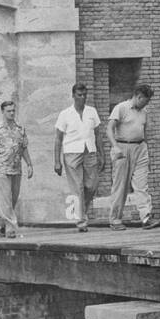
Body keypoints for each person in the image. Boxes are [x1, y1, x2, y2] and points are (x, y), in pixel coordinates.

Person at [107, 83, 160, 230]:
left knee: (142, 184)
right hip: (123, 147)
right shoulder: (121, 108)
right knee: (121, 185)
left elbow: (145, 132)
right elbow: (109, 129)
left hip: (140, 148)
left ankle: (146, 217)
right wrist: (115, 146)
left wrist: (147, 150)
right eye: (146, 100)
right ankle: (115, 219)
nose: (147, 103)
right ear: (139, 97)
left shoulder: (144, 112)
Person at [54, 82, 104, 231]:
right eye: (79, 95)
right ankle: (81, 221)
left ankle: (82, 211)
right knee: (77, 187)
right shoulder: (65, 114)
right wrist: (57, 161)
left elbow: (98, 134)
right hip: (71, 152)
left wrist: (102, 154)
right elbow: (58, 139)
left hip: (90, 151)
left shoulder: (92, 111)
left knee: (92, 185)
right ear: (73, 95)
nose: (82, 98)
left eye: (84, 95)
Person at [0, 100, 34, 239]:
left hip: (16, 169)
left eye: (13, 110)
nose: (11, 113)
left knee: (12, 199)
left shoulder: (20, 129)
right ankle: (11, 227)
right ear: (3, 112)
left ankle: (1, 221)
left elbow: (23, 148)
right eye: (8, 111)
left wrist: (29, 164)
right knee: (5, 199)